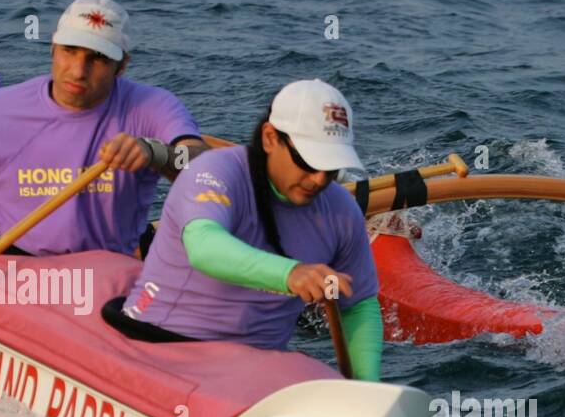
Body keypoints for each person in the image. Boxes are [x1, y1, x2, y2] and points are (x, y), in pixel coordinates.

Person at [0, 0, 209, 332]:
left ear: (122, 65)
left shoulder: (152, 107)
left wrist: (158, 154)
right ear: (53, 48)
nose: (78, 71)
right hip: (15, 274)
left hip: (111, 277)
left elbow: (204, 169)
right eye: (70, 50)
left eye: (98, 58)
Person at [107, 79, 383, 381]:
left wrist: (368, 388)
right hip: (157, 344)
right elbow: (204, 247)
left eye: (331, 168)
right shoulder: (213, 171)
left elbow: (358, 305)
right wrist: (290, 274)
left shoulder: (342, 209)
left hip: (251, 370)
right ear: (269, 138)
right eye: (307, 161)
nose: (319, 179)